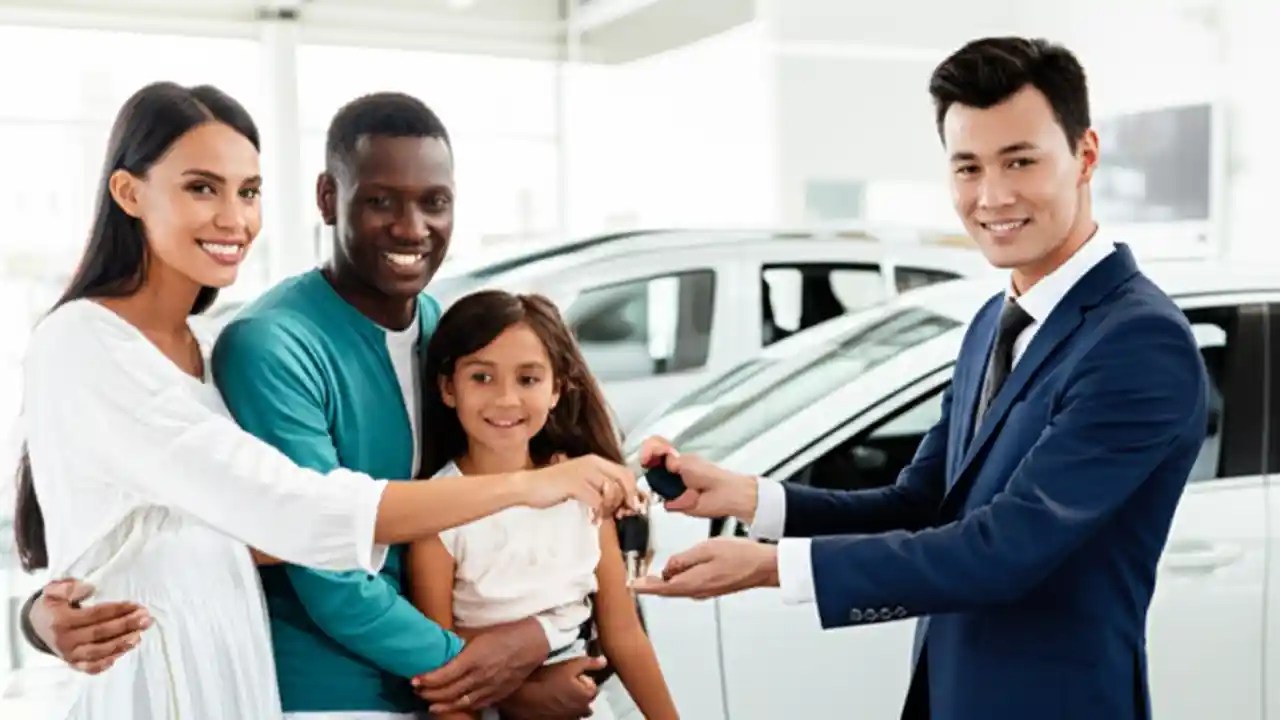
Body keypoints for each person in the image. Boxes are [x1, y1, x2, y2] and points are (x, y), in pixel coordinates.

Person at [13, 81, 638, 720]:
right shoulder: (96, 343)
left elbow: (221, 532)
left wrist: (537, 633)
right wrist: (529, 502)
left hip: (249, 669)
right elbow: (295, 512)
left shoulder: (204, 348)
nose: (235, 218)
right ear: (128, 192)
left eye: (249, 191)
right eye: (202, 187)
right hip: (243, 681)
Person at [632, 36, 1209, 720]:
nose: (991, 196)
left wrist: (769, 568)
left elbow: (1002, 551)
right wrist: (751, 498)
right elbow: (923, 503)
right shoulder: (993, 323)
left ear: (1085, 155)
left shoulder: (1139, 342)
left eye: (1019, 161)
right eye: (968, 168)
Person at [406, 290, 680, 720]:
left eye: (528, 380)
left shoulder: (583, 494)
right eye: (481, 377)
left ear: (557, 390)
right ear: (447, 387)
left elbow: (624, 634)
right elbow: (443, 676)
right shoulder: (437, 513)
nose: (506, 399)